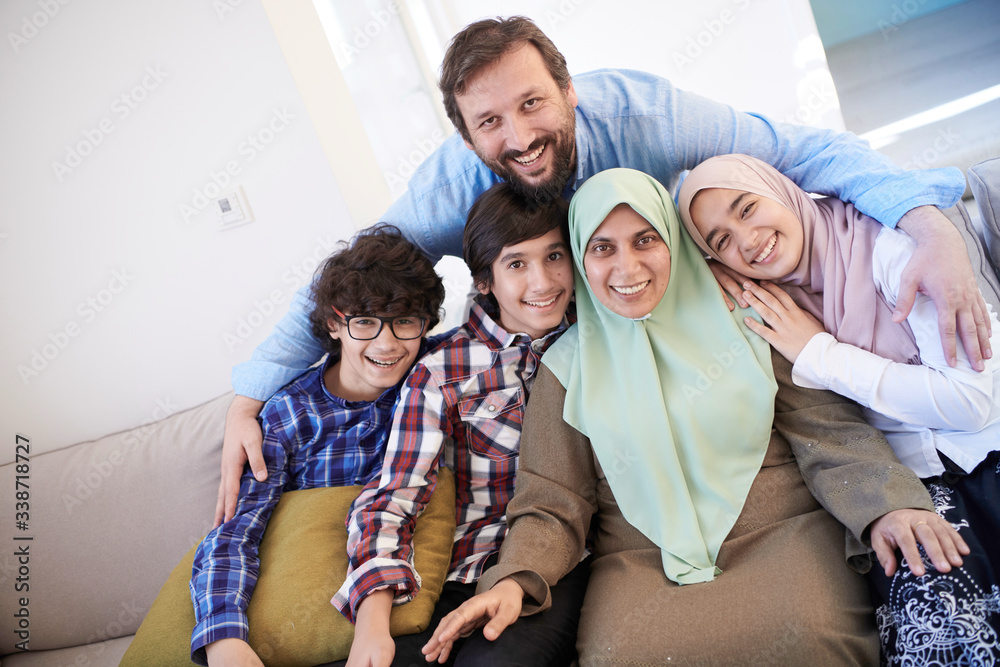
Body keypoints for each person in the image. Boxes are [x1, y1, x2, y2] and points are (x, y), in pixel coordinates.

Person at [216, 15, 991, 526]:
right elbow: (361, 275)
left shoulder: (650, 117)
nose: (517, 137)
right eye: (489, 123)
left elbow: (804, 151)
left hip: (708, 329)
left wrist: (928, 223)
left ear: (570, 92)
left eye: (531, 105)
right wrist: (250, 392)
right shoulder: (452, 186)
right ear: (464, 135)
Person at [422, 168, 967, 665]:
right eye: (602, 248)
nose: (627, 267)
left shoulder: (752, 317)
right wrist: (513, 581)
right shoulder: (566, 369)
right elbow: (551, 501)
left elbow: (829, 433)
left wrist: (888, 507)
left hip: (782, 533)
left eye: (645, 240)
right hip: (641, 561)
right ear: (582, 262)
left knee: (803, 638)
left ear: (675, 241)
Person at [677, 153, 1000, 664]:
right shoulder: (771, 306)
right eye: (720, 242)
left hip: (989, 450)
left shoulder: (890, 250)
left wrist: (820, 355)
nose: (746, 240)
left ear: (782, 191)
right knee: (941, 627)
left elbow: (972, 403)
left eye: (747, 208)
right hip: (913, 486)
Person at [330, 184, 587, 667]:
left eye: (554, 256)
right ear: (485, 280)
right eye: (516, 264)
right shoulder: (441, 370)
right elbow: (394, 496)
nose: (542, 281)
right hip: (457, 570)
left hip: (554, 565)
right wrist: (372, 625)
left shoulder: (598, 339)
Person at [189, 226, 445, 667]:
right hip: (313, 610)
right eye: (365, 322)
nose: (387, 344)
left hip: (414, 597)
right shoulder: (289, 413)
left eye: (405, 321)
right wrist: (223, 637)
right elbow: (235, 530)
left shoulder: (437, 377)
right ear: (334, 324)